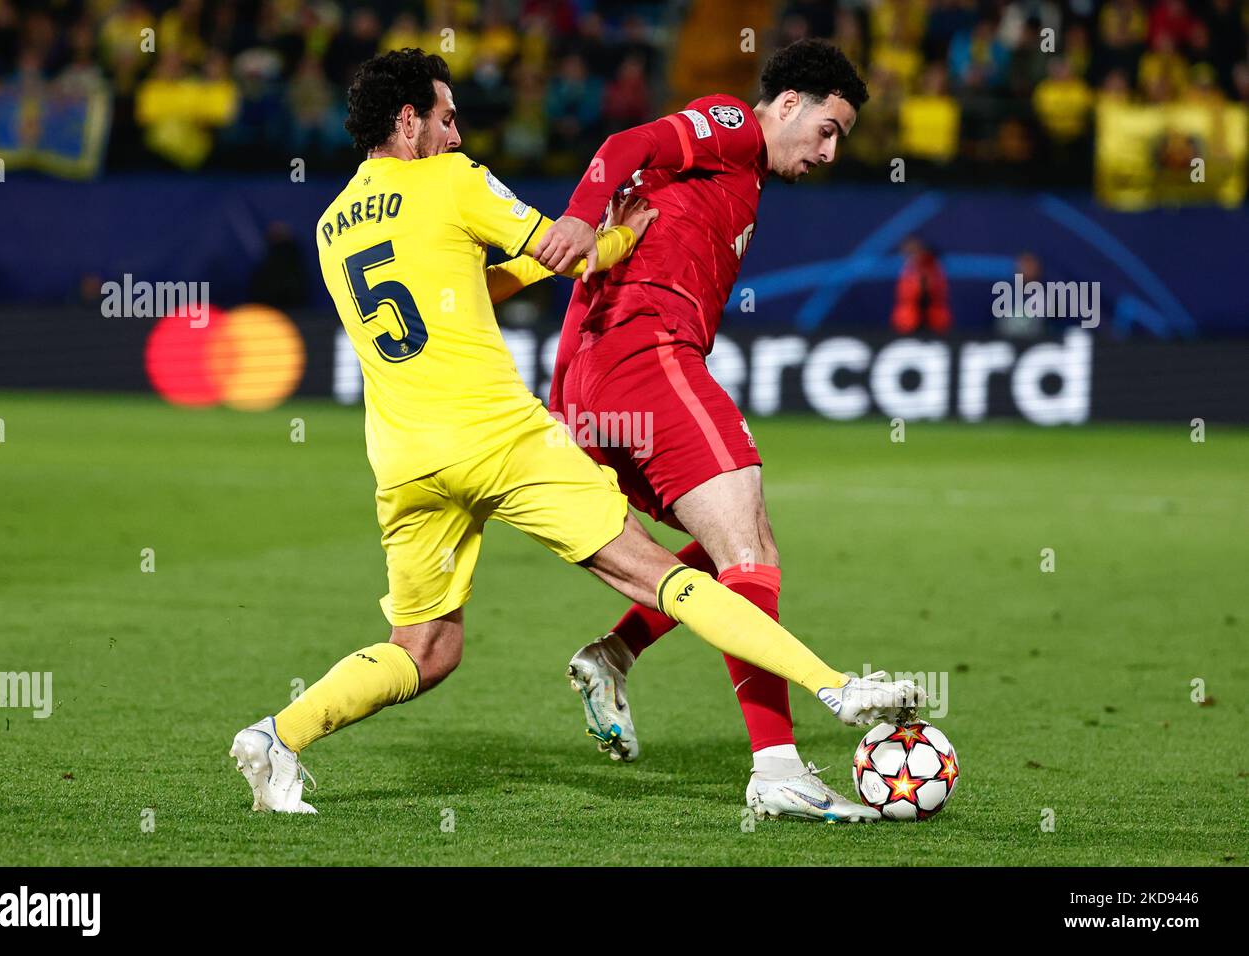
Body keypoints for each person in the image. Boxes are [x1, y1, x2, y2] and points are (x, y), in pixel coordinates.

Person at [228, 49, 923, 817]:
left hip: (403, 460)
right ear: (409, 121)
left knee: (425, 650)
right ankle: (831, 693)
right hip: (500, 439)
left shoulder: (331, 227)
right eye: (448, 118)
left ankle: (276, 737)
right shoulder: (455, 180)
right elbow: (557, 244)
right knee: (659, 572)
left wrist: (597, 240)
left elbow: (475, 289)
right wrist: (604, 232)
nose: (457, 135)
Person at [537, 39, 906, 822]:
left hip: (597, 380)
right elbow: (623, 143)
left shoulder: (737, 181)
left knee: (732, 540)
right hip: (648, 354)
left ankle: (615, 653)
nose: (830, 151)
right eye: (828, 128)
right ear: (786, 105)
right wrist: (575, 215)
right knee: (752, 550)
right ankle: (776, 765)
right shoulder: (734, 123)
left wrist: (567, 392)